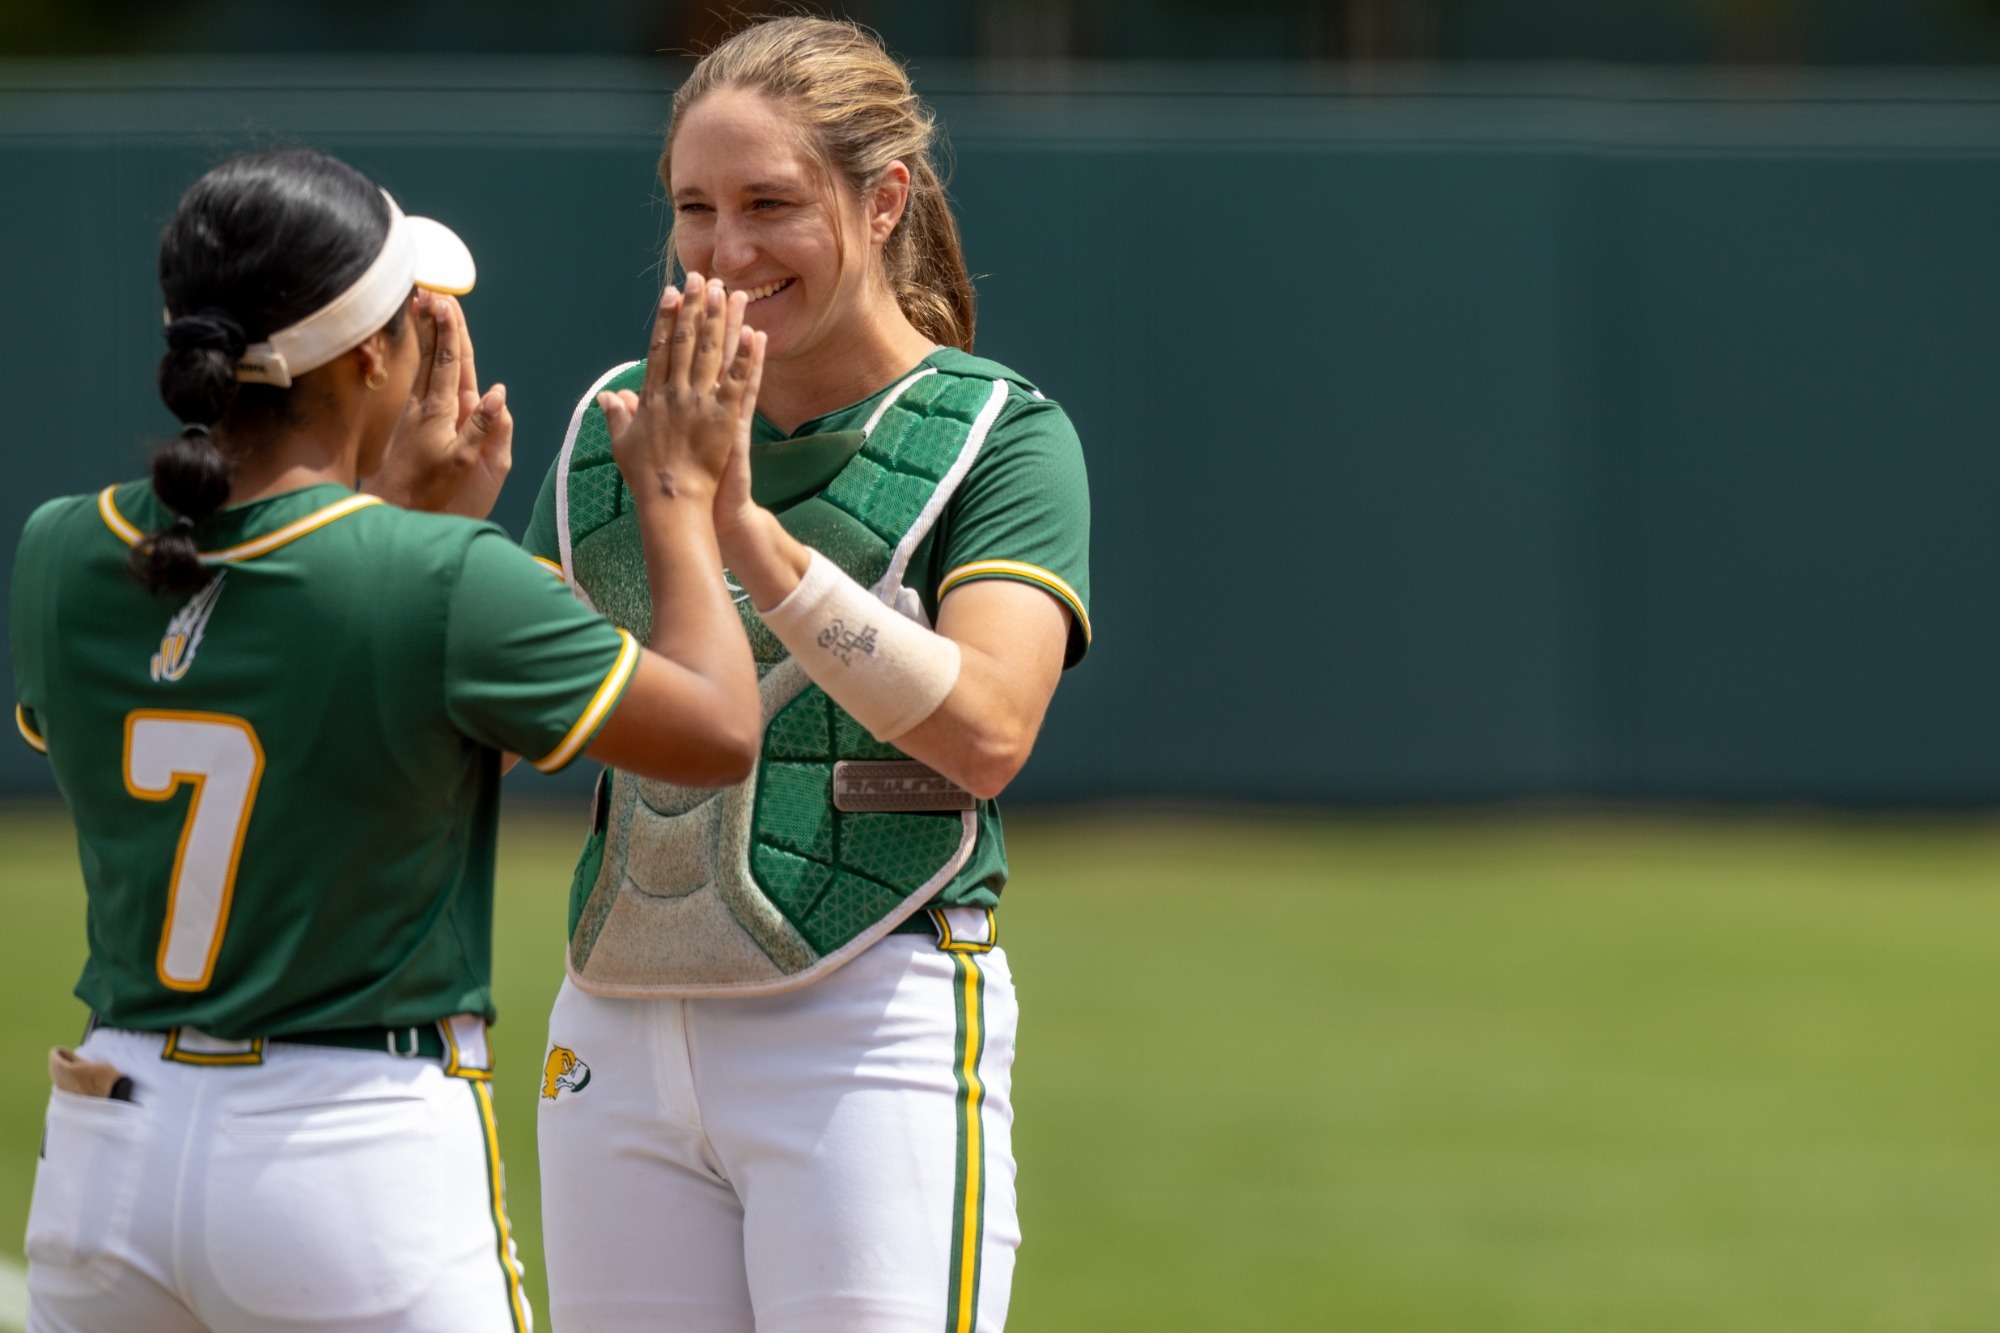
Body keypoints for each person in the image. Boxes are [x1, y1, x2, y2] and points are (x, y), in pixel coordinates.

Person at [9, 147, 765, 1333]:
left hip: (109, 1148)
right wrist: (675, 498)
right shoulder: (443, 581)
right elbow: (719, 731)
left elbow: (267, 679)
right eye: (416, 318)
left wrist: (396, 521)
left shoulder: (60, 546)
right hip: (346, 1157)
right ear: (370, 355)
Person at [524, 17, 1092, 1331]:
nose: (727, 251)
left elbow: (991, 733)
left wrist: (741, 533)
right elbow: (500, 720)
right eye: (695, 208)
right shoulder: (620, 419)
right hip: (615, 1011)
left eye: (771, 204)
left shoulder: (1002, 433)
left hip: (866, 1022)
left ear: (882, 197)